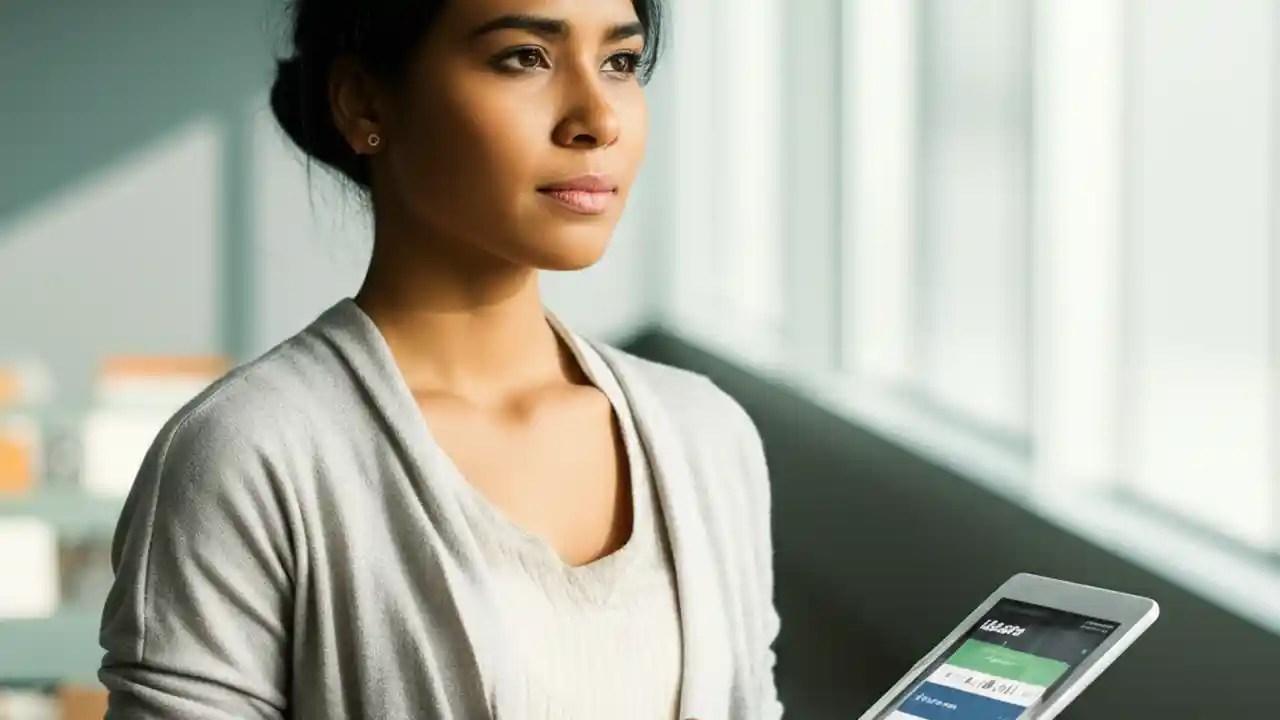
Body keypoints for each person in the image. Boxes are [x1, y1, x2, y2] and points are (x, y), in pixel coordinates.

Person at [97, 0, 782, 717]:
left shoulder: (707, 435)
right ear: (363, 98)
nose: (598, 120)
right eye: (525, 57)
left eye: (620, 63)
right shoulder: (250, 455)